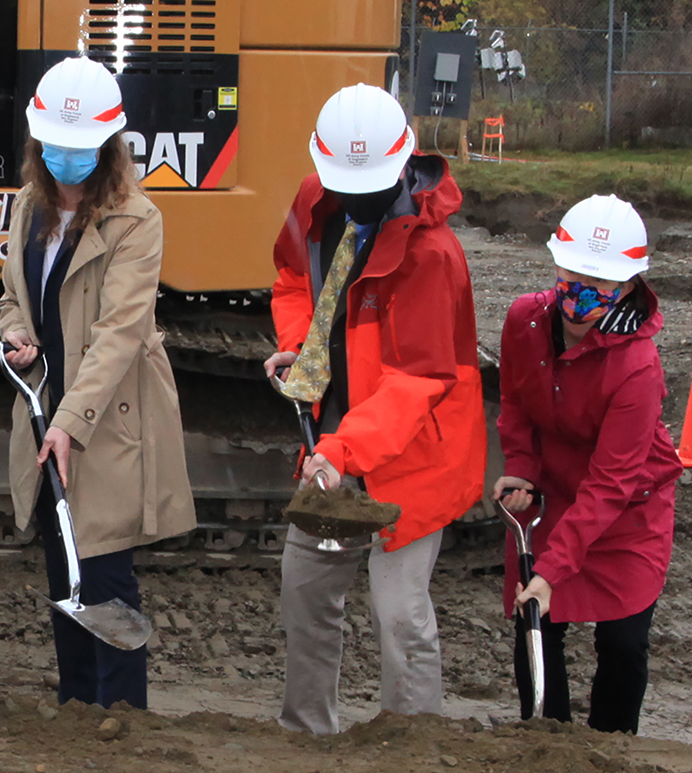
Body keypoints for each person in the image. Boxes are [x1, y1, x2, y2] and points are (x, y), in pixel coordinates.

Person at [264, 83, 485, 735]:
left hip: (412, 457)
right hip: (335, 445)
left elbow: (415, 381)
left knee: (400, 612)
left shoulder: (431, 254)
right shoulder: (314, 201)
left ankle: (410, 747)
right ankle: (306, 733)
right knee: (305, 592)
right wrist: (297, 348)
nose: (352, 196)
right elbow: (292, 280)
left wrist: (338, 452)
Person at [0, 57, 195, 709]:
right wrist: (16, 334)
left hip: (108, 418)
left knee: (104, 569)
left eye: (80, 149)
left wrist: (68, 423)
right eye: (55, 145)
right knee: (62, 565)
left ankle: (123, 716)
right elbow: (11, 297)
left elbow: (119, 334)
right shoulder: (27, 207)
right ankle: (77, 705)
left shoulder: (137, 220)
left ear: (107, 146)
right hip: (48, 405)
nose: (66, 159)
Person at [495, 194, 678, 734]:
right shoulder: (525, 320)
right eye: (575, 276)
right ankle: (545, 739)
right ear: (558, 265)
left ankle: (611, 749)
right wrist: (522, 466)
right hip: (552, 490)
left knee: (622, 640)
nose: (584, 295)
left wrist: (553, 570)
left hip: (628, 508)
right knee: (535, 618)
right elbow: (515, 400)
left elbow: (612, 481)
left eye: (602, 286)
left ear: (626, 287)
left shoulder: (637, 368)